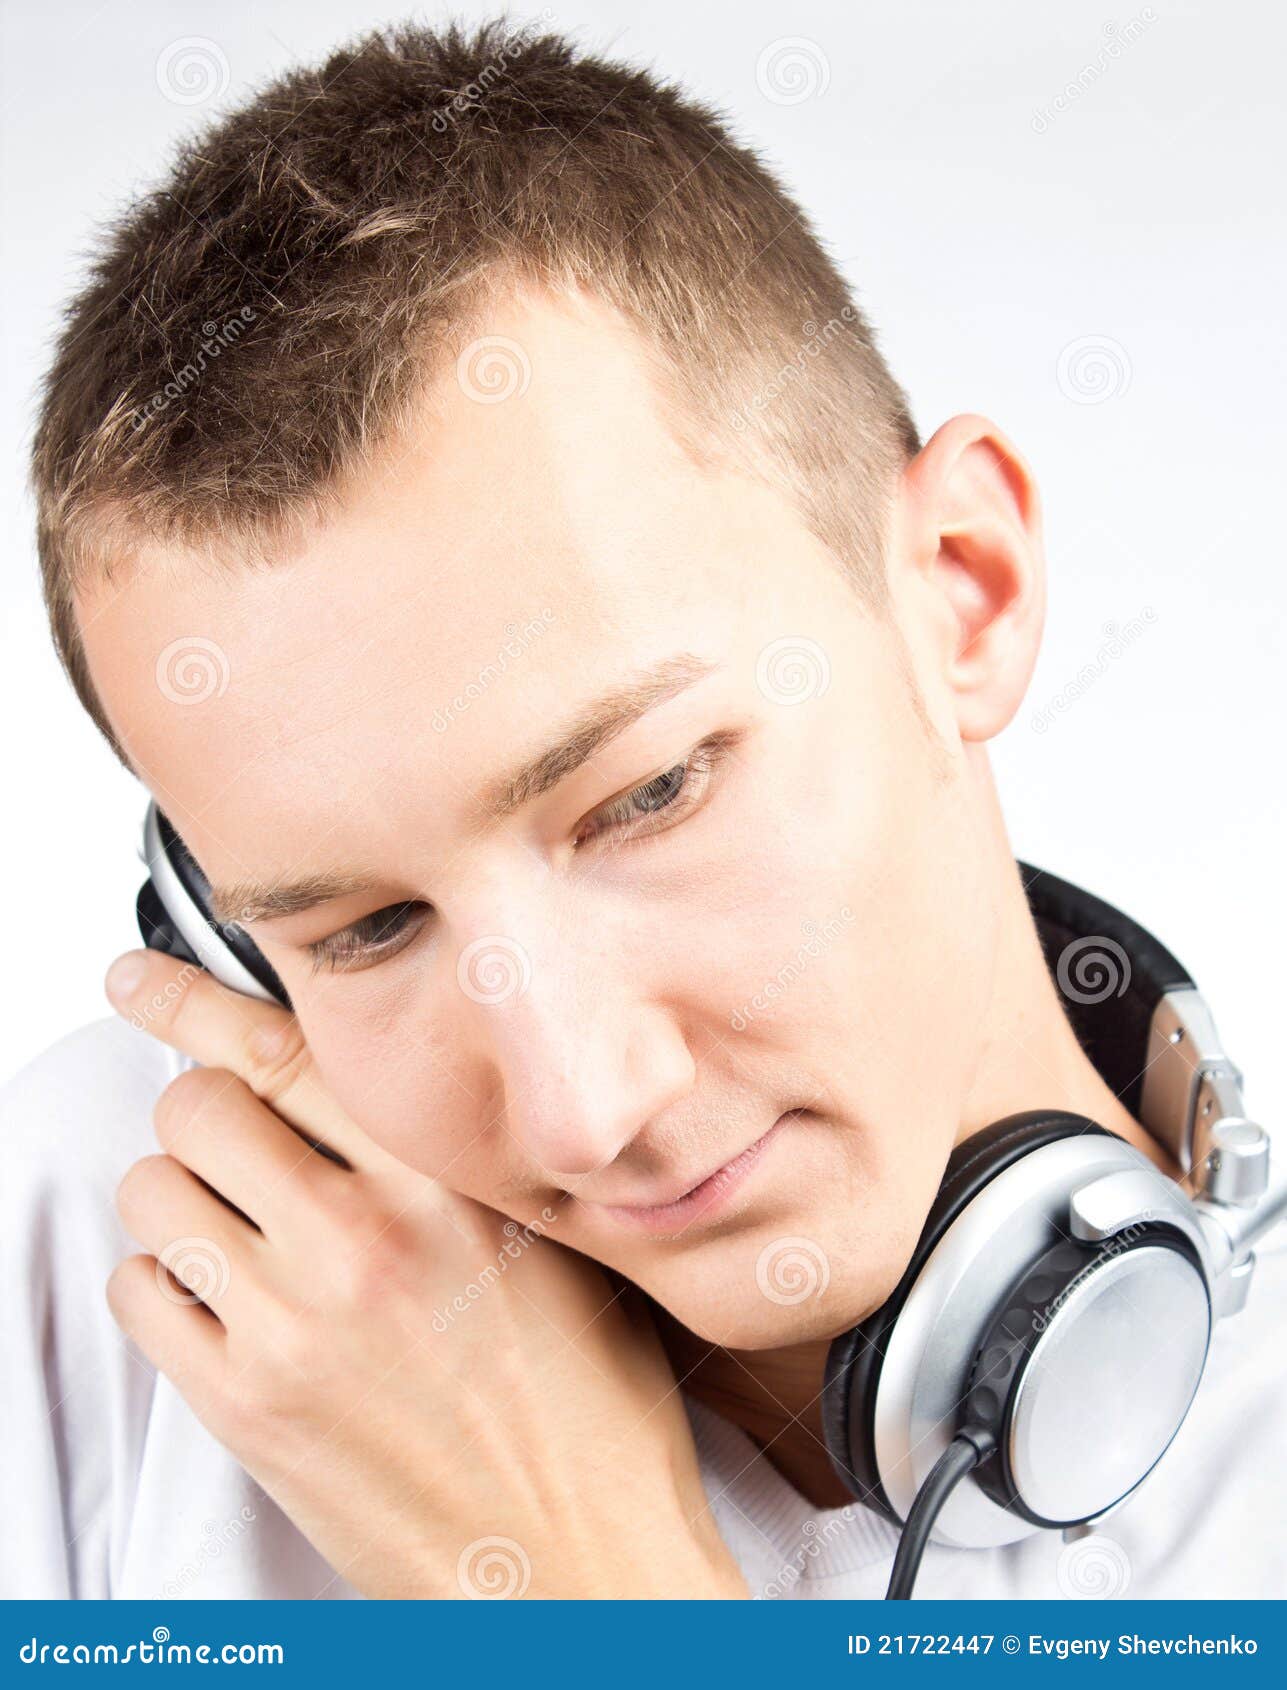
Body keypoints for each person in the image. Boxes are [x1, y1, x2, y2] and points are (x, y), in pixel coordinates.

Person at [5, 19, 1283, 1601]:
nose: (582, 1109)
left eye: (649, 794)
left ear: (964, 593)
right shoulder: (85, 1255)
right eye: (367, 928)